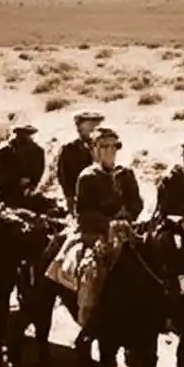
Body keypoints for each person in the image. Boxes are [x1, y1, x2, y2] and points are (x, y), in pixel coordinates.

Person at [60, 128, 143, 328]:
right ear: (95, 150)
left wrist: (129, 215)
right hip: (96, 232)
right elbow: (84, 213)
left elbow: (137, 202)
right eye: (103, 146)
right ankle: (89, 316)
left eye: (113, 146)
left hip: (126, 229)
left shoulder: (126, 174)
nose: (109, 151)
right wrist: (108, 223)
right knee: (94, 269)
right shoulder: (87, 177)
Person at [58, 111, 105, 215]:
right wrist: (70, 198)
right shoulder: (70, 149)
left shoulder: (104, 147)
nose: (93, 128)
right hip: (79, 198)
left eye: (96, 125)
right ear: (79, 128)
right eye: (89, 125)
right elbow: (64, 176)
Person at [0, 125, 46, 209]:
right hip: (8, 190)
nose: (24, 137)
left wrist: (32, 183)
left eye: (27, 134)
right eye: (21, 133)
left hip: (27, 190)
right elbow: (2, 170)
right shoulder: (3, 153)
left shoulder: (37, 152)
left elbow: (39, 170)